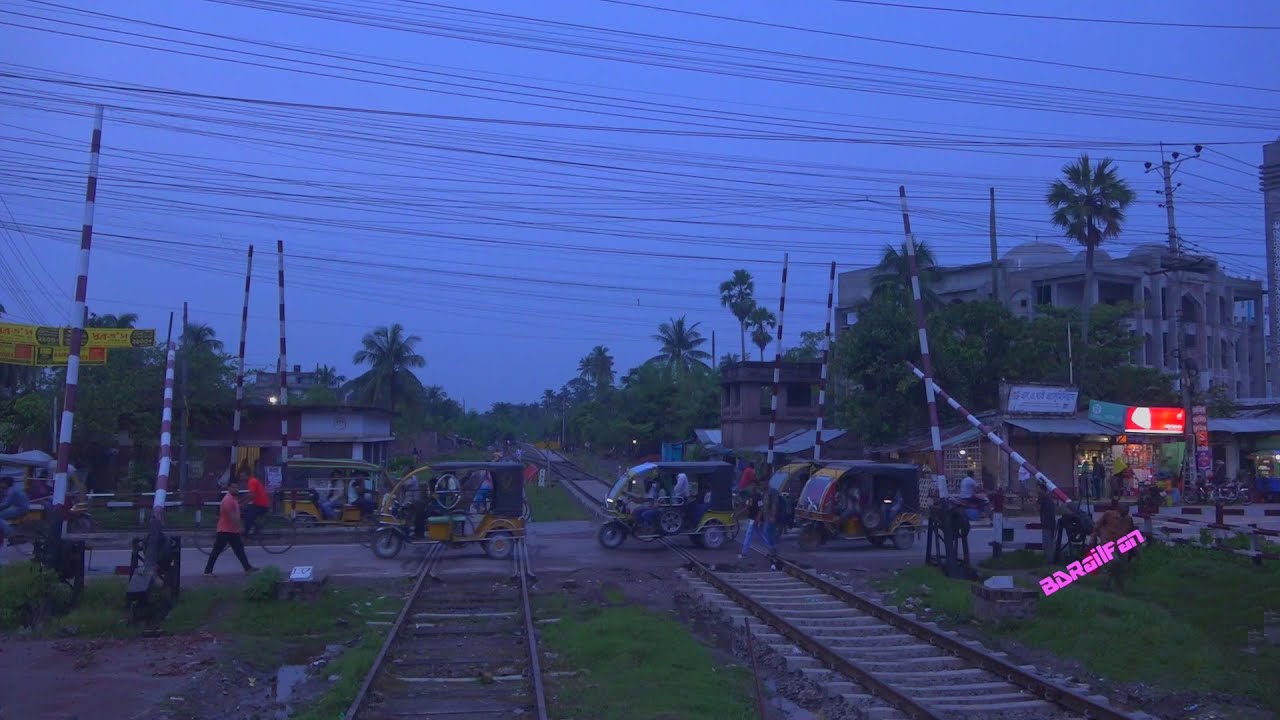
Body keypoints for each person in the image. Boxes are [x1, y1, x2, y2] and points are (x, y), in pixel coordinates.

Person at [205, 479, 256, 576]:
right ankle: (207, 571)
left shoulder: (233, 499)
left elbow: (237, 512)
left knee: (239, 550)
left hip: (232, 531)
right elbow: (232, 516)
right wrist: (240, 526)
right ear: (228, 488)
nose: (236, 489)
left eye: (237, 487)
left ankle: (247, 568)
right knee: (216, 551)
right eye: (233, 487)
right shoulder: (228, 500)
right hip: (224, 531)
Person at [0, 476, 31, 545]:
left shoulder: (11, 491)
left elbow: (6, 504)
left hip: (19, 509)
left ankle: (11, 533)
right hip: (22, 507)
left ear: (6, 483)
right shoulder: (16, 488)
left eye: (1, 483)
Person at [242, 468, 271, 536]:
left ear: (247, 476)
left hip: (261, 505)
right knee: (245, 512)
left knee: (248, 517)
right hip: (257, 504)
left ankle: (247, 535)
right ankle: (254, 527)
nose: (241, 478)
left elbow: (252, 495)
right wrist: (241, 501)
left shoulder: (251, 481)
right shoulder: (252, 481)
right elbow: (249, 494)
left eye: (242, 476)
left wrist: (243, 503)